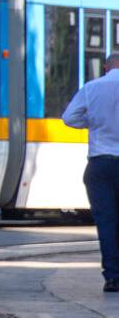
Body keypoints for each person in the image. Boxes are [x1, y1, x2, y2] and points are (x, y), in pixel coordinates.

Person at [63, 52, 119, 292]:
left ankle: (113, 277)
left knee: (106, 221)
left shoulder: (92, 87)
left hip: (100, 163)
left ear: (106, 66)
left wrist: (92, 122)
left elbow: (69, 118)